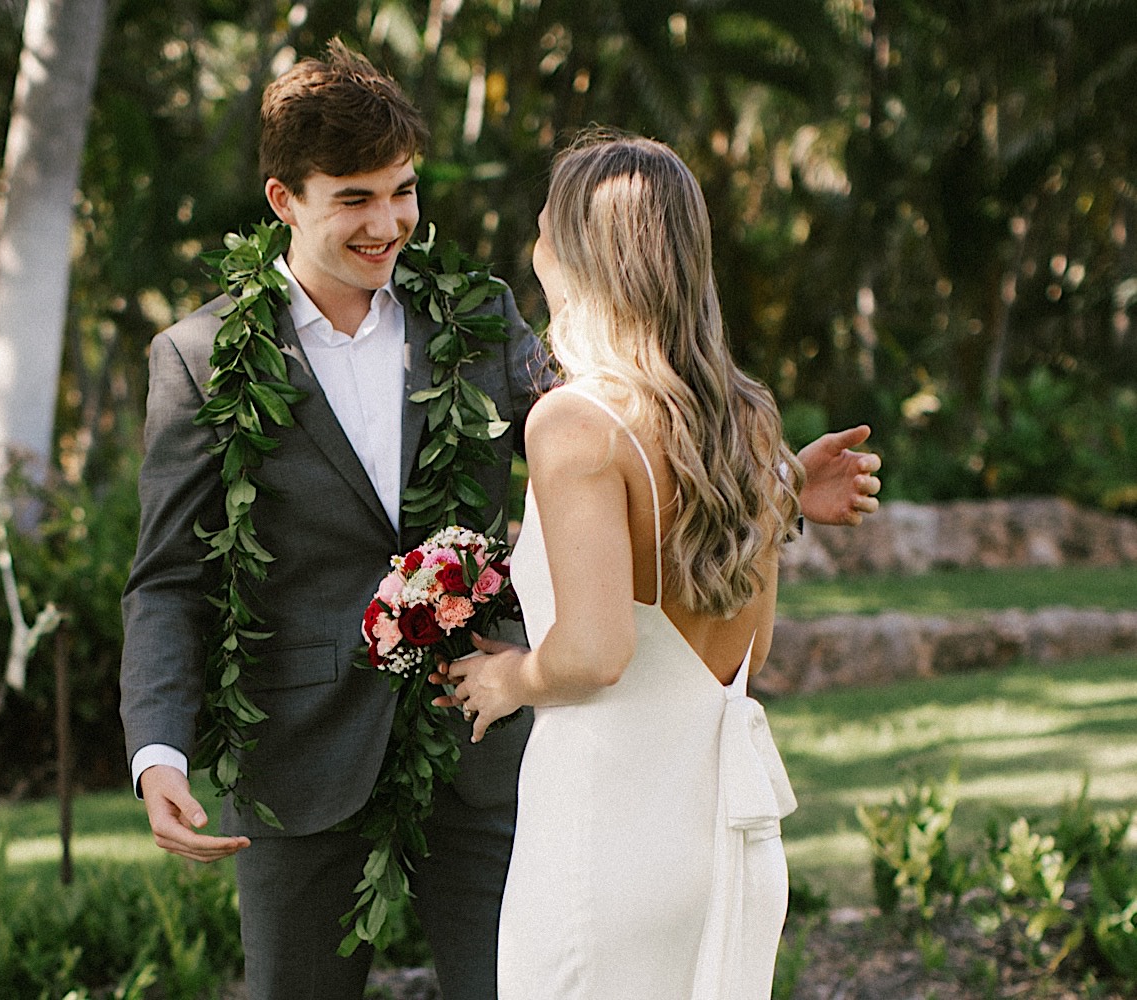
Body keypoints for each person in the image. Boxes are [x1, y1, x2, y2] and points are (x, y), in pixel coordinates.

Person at [120, 45, 880, 1000]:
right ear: (284, 200)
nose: (388, 221)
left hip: (487, 747)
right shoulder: (198, 362)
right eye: (354, 198)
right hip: (301, 752)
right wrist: (158, 749)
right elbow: (170, 578)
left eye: (401, 191)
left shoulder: (478, 320)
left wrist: (767, 479)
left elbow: (622, 434)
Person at [438, 132, 807, 998]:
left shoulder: (576, 423)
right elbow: (749, 657)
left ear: (578, 258)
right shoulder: (751, 420)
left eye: (542, 233)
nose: (535, 254)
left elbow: (599, 651)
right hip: (719, 839)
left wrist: (510, 680)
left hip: (604, 844)